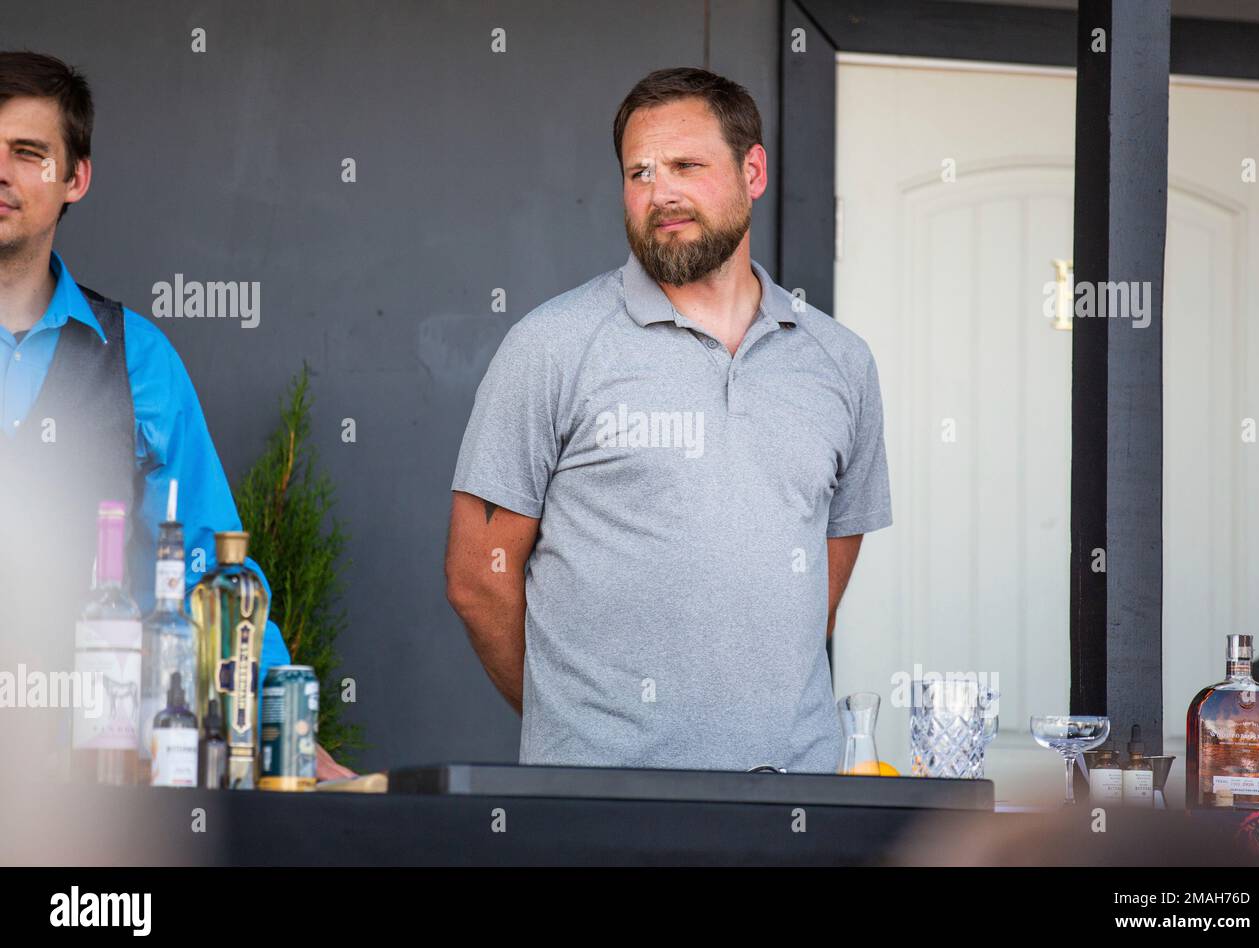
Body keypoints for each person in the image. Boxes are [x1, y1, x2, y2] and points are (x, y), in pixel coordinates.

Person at [446, 67, 892, 772]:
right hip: (606, 807)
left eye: (686, 165)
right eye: (640, 172)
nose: (662, 193)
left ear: (753, 171)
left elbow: (818, 581)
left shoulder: (841, 362)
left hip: (796, 799)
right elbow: (477, 578)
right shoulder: (552, 346)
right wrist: (573, 727)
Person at [0, 51, 351, 780]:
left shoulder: (137, 357)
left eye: (28, 153)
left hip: (87, 776)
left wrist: (297, 740)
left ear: (75, 178)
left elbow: (207, 564)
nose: (0, 171)